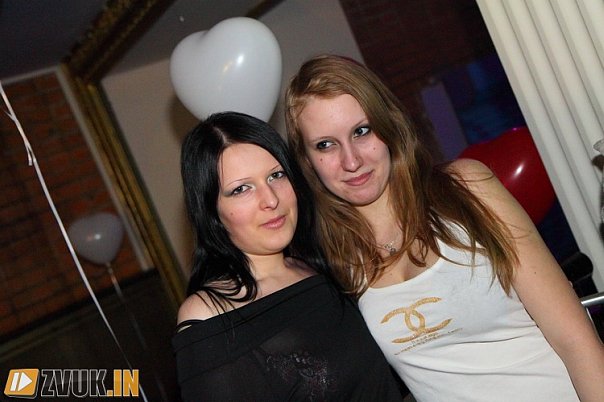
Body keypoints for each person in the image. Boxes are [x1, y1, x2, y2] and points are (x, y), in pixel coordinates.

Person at [285, 54, 604, 402]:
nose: (351, 160)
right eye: (325, 145)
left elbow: (576, 340)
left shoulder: (466, 189)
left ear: (388, 125)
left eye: (362, 131)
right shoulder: (334, 262)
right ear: (307, 160)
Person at [172, 111, 406, 401]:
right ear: (212, 211)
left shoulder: (326, 266)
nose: (271, 199)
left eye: (276, 175)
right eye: (241, 189)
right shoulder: (209, 313)